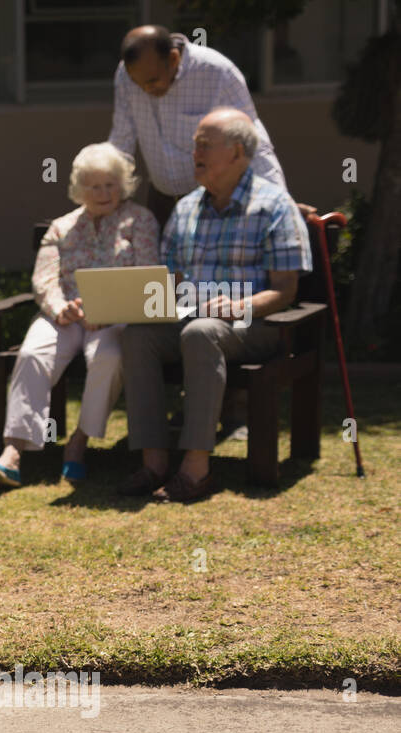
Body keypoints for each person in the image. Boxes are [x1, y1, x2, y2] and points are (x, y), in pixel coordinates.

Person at [117, 109, 311, 503]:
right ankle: (153, 463)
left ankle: (196, 469)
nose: (195, 152)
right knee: (138, 335)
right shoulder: (186, 208)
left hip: (252, 324)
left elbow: (285, 291)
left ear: (238, 152)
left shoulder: (274, 206)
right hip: (190, 316)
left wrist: (239, 306)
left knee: (202, 332)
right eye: (194, 145)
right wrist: (140, 298)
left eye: (205, 144)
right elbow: (169, 282)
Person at [0, 143, 159, 489]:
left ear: (123, 185)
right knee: (32, 354)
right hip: (66, 317)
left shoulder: (141, 222)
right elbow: (44, 278)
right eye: (94, 186)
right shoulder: (61, 227)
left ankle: (78, 443)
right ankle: (12, 454)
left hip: (115, 318)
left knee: (108, 357)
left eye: (110, 184)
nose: (103, 193)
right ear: (79, 189)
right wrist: (61, 309)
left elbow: (147, 276)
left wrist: (108, 309)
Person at [109, 25, 314, 226]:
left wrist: (280, 201)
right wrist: (104, 192)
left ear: (173, 59)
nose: (146, 90)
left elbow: (252, 140)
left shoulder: (217, 72)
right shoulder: (126, 76)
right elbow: (121, 139)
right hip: (160, 199)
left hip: (208, 199)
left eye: (153, 81)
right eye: (139, 84)